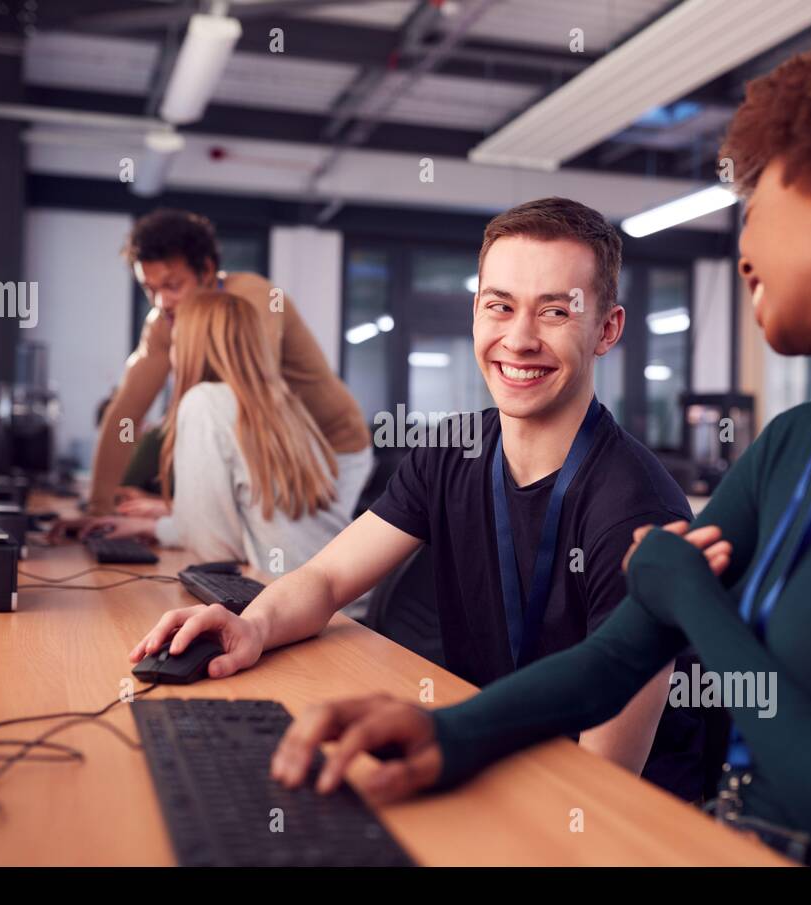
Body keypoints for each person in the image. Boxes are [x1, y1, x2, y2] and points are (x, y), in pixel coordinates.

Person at [268, 17, 811, 866]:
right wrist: (447, 733)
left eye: (755, 201)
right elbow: (620, 653)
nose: (742, 250)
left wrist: (700, 606)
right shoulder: (796, 441)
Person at [132, 197, 704, 792]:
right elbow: (327, 580)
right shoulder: (449, 453)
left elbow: (602, 783)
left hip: (603, 810)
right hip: (479, 752)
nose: (519, 338)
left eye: (555, 312)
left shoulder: (637, 510)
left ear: (606, 329)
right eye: (499, 307)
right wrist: (251, 625)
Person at [81, 209, 372, 521]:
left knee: (301, 556)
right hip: (275, 453)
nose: (161, 302)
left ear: (207, 270)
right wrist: (99, 511)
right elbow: (125, 411)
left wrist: (180, 510)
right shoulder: (164, 321)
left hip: (332, 449)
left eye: (173, 285)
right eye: (149, 289)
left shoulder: (253, 300)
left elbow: (254, 406)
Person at [81, 290, 350, 571]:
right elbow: (244, 523)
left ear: (190, 347)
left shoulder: (204, 402)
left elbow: (218, 550)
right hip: (347, 594)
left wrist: (170, 524)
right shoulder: (285, 404)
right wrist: (156, 527)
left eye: (174, 343)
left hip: (310, 604)